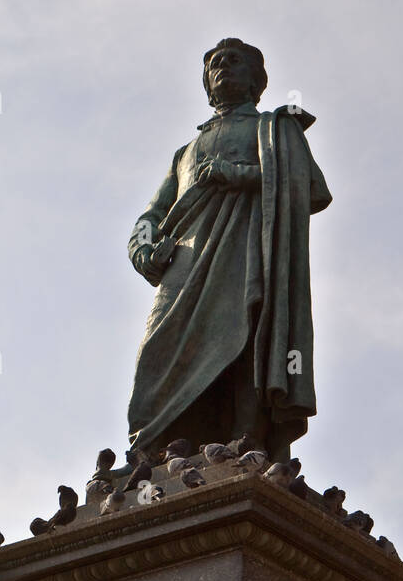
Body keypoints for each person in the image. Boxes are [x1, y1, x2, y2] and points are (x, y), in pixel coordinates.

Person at [126, 38, 331, 462]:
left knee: (243, 334)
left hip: (246, 246)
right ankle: (159, 447)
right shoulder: (183, 153)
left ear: (256, 80)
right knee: (157, 350)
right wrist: (142, 248)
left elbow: (309, 189)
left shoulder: (273, 129)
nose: (222, 67)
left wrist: (234, 174)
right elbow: (152, 213)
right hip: (184, 260)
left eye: (234, 61)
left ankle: (244, 438)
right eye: (215, 63)